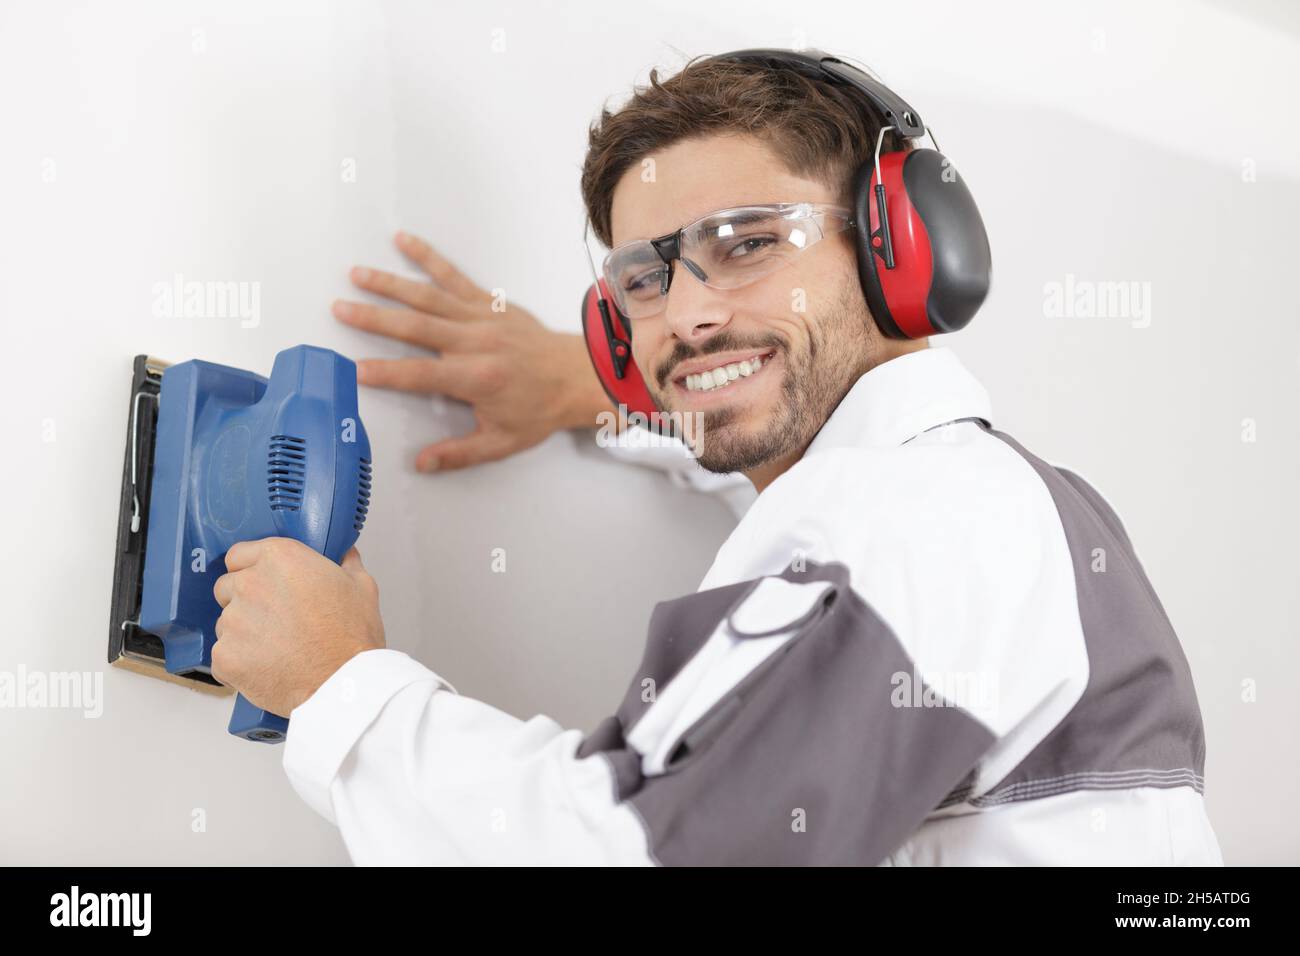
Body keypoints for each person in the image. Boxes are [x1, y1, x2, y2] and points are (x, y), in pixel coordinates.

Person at [209, 49, 1223, 865]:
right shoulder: (974, 490)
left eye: (747, 242)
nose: (689, 313)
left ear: (901, 248)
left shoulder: (918, 523)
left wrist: (339, 684)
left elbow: (649, 848)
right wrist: (587, 387)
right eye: (645, 281)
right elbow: (776, 437)